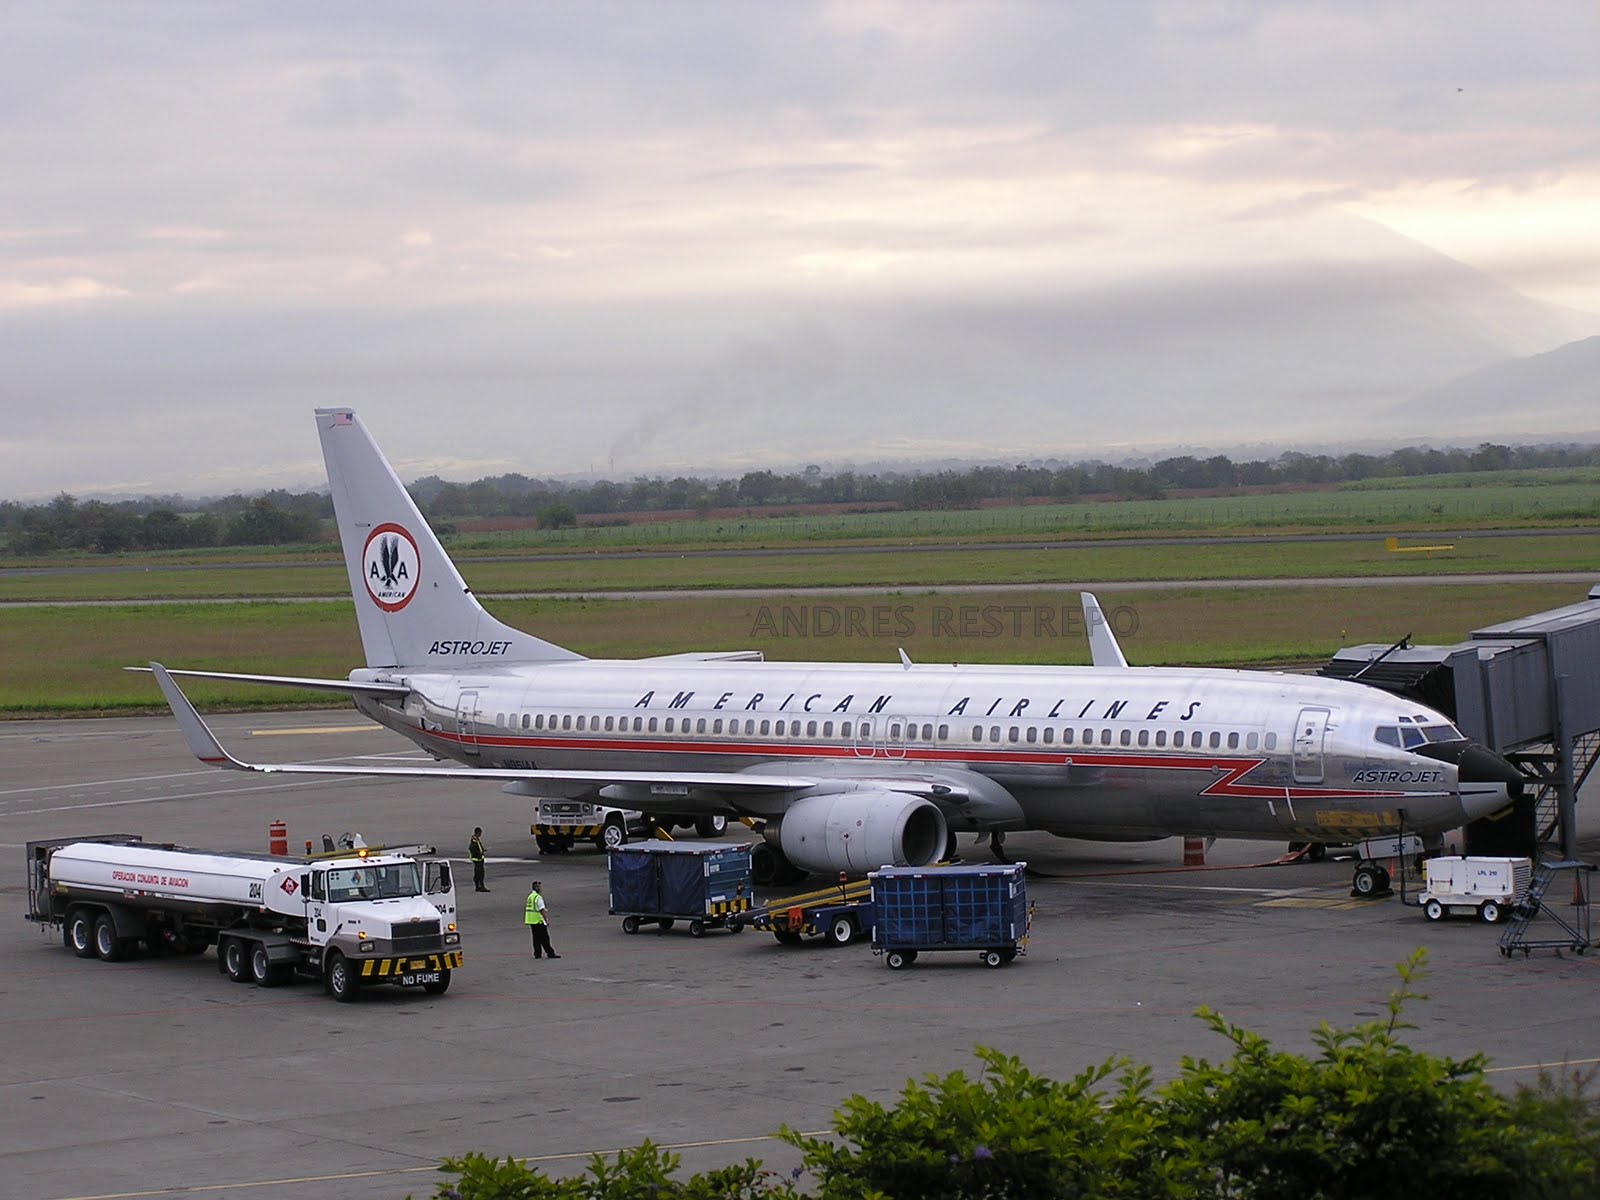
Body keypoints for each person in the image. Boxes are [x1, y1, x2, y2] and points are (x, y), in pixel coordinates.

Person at [524, 879, 558, 959]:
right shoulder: (538, 897)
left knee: (536, 938)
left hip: (532, 920)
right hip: (538, 920)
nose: (541, 888)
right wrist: (546, 920)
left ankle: (537, 954)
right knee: (545, 938)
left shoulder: (530, 896)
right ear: (537, 888)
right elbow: (541, 909)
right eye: (540, 887)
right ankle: (550, 953)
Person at [469, 827, 489, 892]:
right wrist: (479, 853)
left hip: (478, 859)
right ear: (478, 832)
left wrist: (482, 850)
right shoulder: (474, 840)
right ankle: (481, 886)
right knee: (480, 873)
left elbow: (478, 847)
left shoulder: (476, 839)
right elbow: (472, 848)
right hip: (478, 859)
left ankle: (478, 886)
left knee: (477, 873)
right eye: (480, 833)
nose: (481, 834)